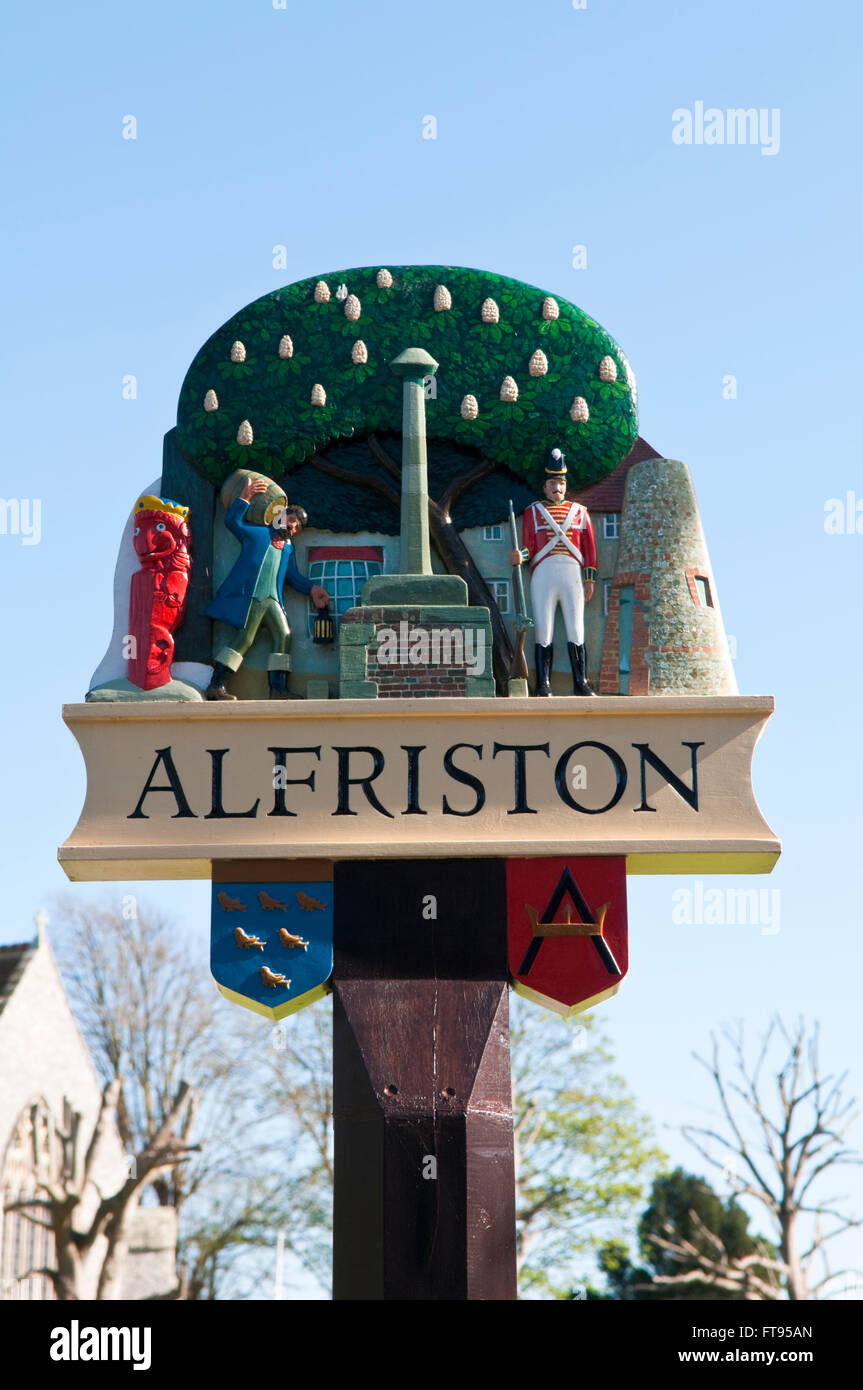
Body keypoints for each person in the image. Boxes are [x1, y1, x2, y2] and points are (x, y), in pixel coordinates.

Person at [205, 476, 329, 699]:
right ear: (281, 515)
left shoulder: (288, 548)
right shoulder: (258, 533)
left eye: (298, 527)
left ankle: (277, 688)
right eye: (292, 520)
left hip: (272, 599)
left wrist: (312, 589)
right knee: (245, 638)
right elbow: (233, 522)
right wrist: (245, 497)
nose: (293, 527)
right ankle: (217, 684)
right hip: (252, 595)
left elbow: (292, 576)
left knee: (284, 635)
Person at [510, 448, 597, 696]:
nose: (556, 488)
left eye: (560, 483)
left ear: (565, 485)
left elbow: (590, 551)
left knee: (576, 628)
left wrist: (589, 580)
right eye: (552, 483)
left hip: (571, 572)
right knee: (544, 629)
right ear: (545, 486)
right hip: (544, 573)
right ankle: (543, 684)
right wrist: (520, 556)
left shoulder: (580, 512)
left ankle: (581, 682)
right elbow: (530, 547)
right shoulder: (534, 511)